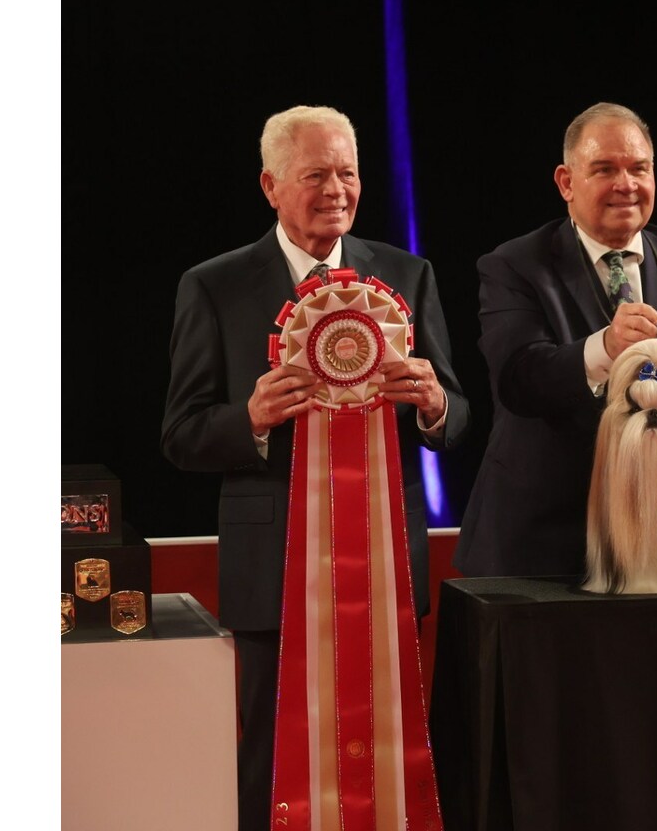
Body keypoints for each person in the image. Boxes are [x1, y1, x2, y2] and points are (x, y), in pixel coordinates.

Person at [160, 105, 468, 831]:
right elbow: (180, 434)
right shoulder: (214, 286)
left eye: (349, 173)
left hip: (388, 567)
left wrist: (432, 402)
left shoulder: (406, 272)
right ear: (270, 185)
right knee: (276, 764)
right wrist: (252, 419)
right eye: (316, 175)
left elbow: (458, 413)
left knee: (392, 760)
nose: (337, 189)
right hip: (274, 573)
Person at [455, 102, 657, 577]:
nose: (627, 184)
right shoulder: (513, 265)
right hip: (548, 548)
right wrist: (604, 348)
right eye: (605, 169)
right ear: (565, 182)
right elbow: (518, 378)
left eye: (639, 168)